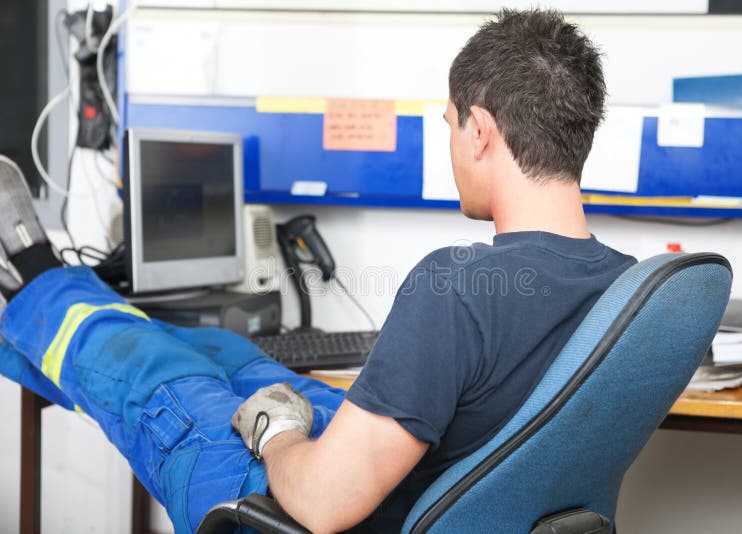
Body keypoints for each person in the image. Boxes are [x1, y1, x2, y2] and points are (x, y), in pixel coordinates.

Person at [0, 8, 636, 534]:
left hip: (312, 511)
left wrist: (277, 435)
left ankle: (30, 278)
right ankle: (30, 311)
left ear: (481, 133)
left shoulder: (457, 287)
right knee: (225, 349)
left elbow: (324, 505)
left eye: (450, 125)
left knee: (153, 369)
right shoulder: (622, 288)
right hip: (432, 483)